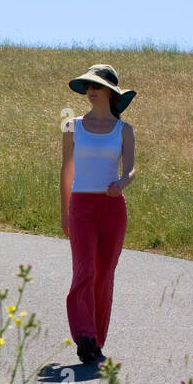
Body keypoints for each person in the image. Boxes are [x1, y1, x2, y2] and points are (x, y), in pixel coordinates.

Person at [60, 63, 136, 366]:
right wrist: (64, 212)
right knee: (84, 271)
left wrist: (122, 182)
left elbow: (131, 168)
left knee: (104, 274)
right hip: (81, 205)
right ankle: (84, 337)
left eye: (96, 86)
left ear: (110, 91)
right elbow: (67, 169)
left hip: (113, 207)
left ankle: (97, 340)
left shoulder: (124, 129)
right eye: (87, 86)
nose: (90, 91)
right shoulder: (72, 126)